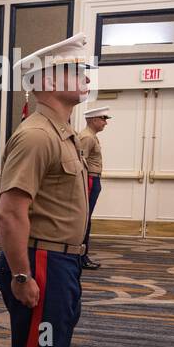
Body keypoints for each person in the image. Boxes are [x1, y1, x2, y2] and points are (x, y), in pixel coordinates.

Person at [0, 34, 95, 347]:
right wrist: (20, 275)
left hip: (62, 263)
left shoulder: (63, 133)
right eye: (77, 71)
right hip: (40, 262)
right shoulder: (36, 135)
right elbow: (12, 211)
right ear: (51, 81)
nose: (86, 78)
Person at [78, 107, 109, 269]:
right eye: (103, 119)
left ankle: (82, 255)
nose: (105, 123)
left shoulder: (91, 137)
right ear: (93, 120)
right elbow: (80, 164)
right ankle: (80, 257)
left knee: (86, 219)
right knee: (84, 220)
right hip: (89, 180)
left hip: (93, 180)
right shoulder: (87, 138)